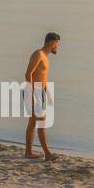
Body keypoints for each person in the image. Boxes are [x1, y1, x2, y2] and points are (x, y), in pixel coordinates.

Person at [24, 32, 60, 160]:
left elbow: (42, 77)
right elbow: (28, 74)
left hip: (40, 92)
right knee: (41, 122)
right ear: (52, 43)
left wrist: (48, 94)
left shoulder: (45, 56)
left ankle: (28, 153)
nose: (58, 47)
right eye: (57, 44)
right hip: (34, 92)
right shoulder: (38, 54)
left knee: (33, 123)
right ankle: (48, 154)